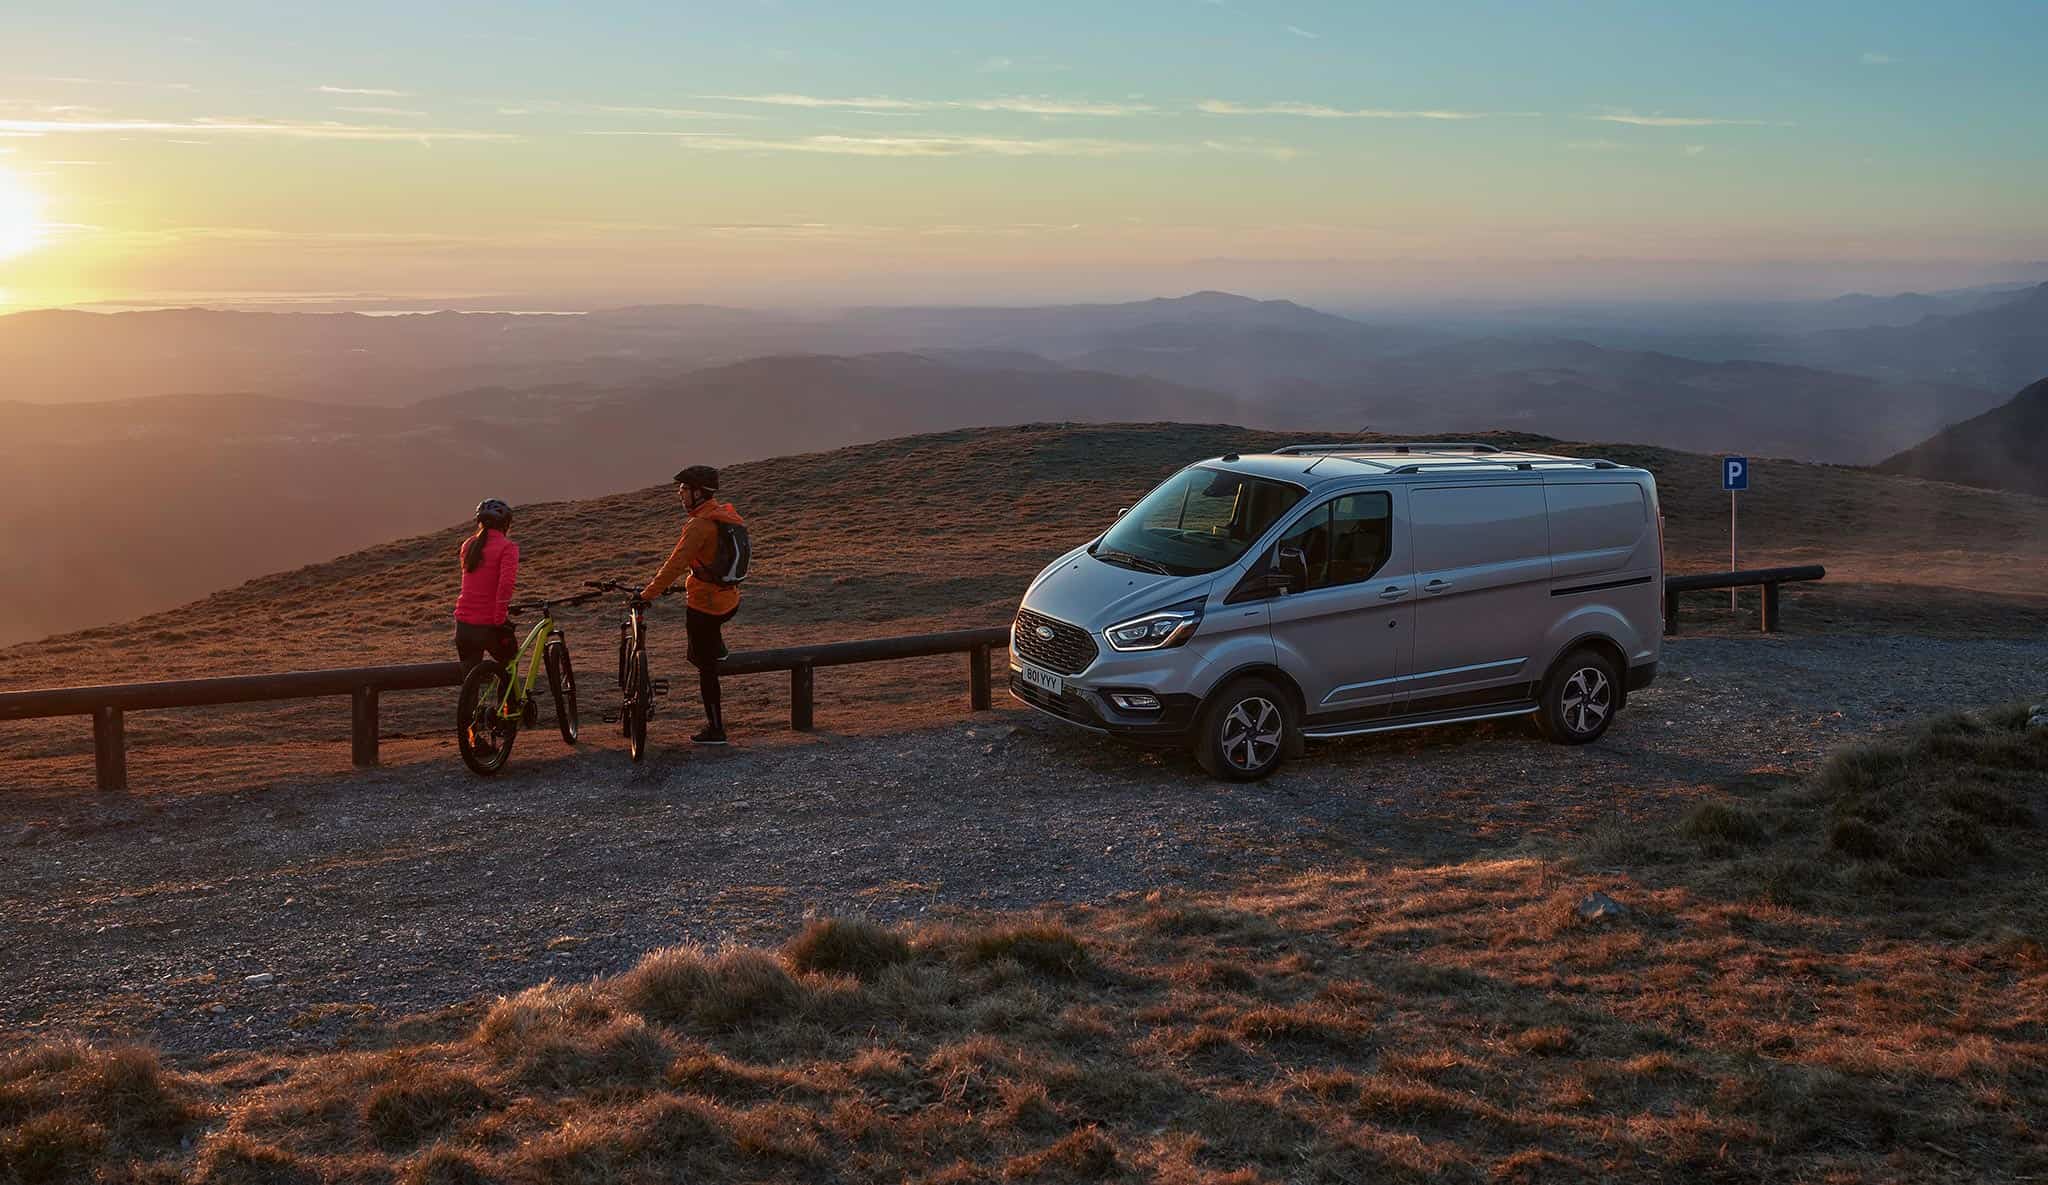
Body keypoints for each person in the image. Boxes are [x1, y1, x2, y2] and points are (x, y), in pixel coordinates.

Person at [640, 465, 745, 745]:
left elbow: (675, 564)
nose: (680, 495)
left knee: (704, 666)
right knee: (705, 649)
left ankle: (715, 728)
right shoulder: (725, 515)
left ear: (699, 492)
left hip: (705, 606)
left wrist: (647, 594)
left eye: (684, 489)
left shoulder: (699, 525)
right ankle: (716, 649)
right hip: (729, 598)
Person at [453, 499, 519, 673]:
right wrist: (499, 620)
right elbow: (505, 585)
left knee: (469, 680)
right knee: (511, 660)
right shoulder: (508, 547)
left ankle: (469, 701)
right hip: (487, 625)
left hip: (463, 626)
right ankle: (508, 701)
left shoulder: (468, 545)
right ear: (505, 524)